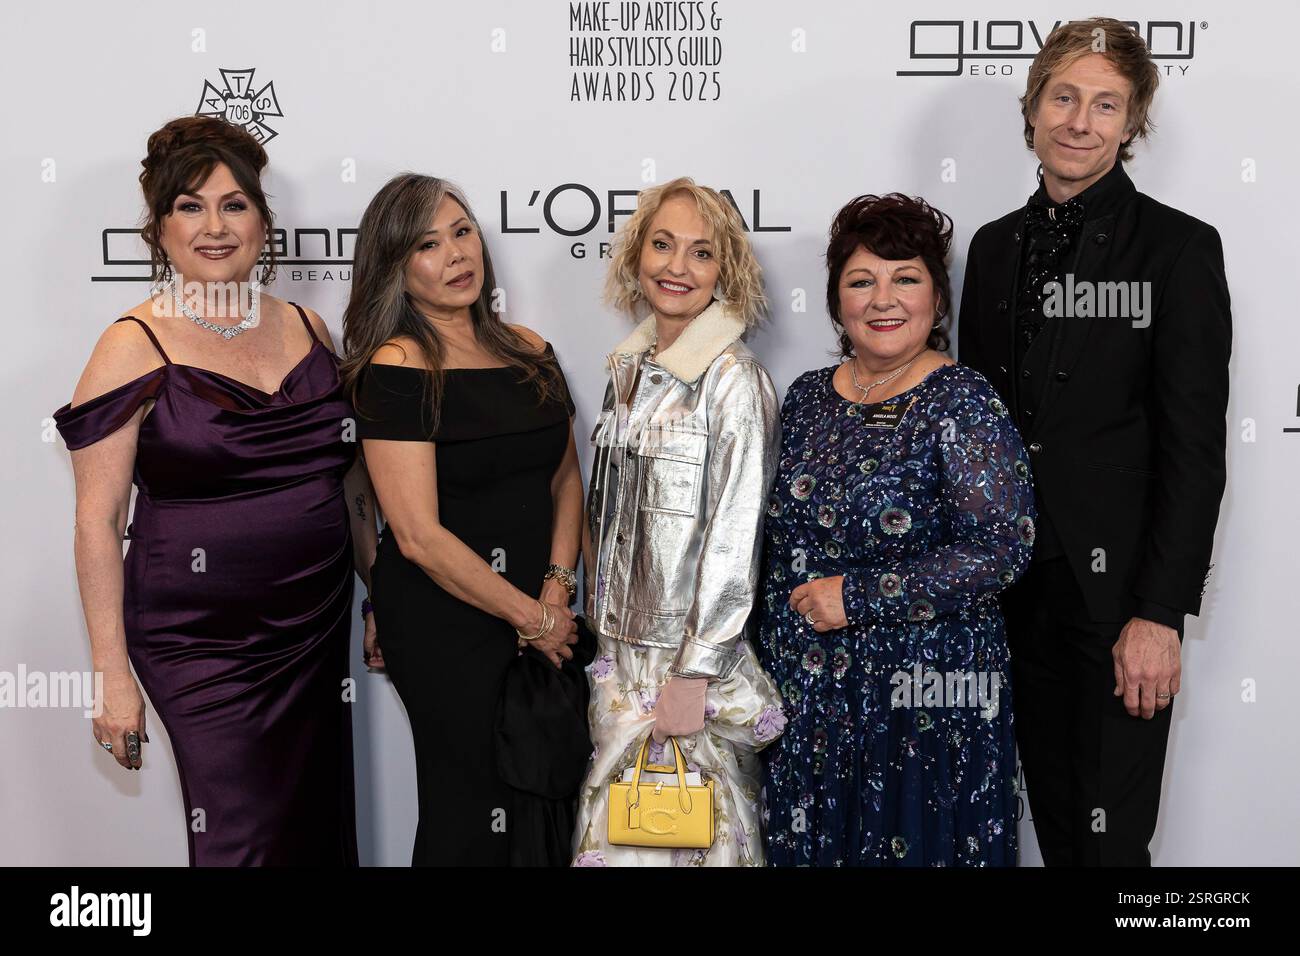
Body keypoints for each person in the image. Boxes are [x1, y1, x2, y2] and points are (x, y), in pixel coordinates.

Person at [52, 115, 377, 865]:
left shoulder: (307, 327)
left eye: (234, 205)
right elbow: (97, 523)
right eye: (189, 207)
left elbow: (348, 480)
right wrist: (112, 675)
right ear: (159, 230)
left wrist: (378, 593)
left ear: (263, 222)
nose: (215, 226)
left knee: (313, 823)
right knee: (241, 834)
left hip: (314, 621)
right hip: (201, 639)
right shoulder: (133, 343)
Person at [957, 17, 1232, 866]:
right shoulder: (993, 248)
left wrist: (1158, 614)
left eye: (1105, 104)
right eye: (1064, 97)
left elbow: (1195, 448)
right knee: (1044, 821)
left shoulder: (1180, 249)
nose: (1080, 121)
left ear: (1132, 123)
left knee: (1108, 847)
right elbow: (979, 430)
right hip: (1007, 593)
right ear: (1033, 107)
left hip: (1117, 604)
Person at [757, 193, 1035, 866]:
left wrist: (854, 598)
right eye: (862, 281)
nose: (884, 299)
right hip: (809, 705)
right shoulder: (805, 396)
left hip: (922, 703)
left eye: (905, 278)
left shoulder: (962, 399)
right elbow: (778, 547)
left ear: (937, 300)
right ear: (836, 303)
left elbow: (1000, 550)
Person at [345, 174, 583, 866]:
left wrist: (558, 588)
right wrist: (529, 618)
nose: (455, 254)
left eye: (461, 231)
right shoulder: (397, 366)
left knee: (547, 796)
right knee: (473, 804)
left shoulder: (530, 348)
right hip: (449, 622)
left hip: (545, 610)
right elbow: (417, 536)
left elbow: (566, 479)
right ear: (395, 267)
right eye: (427, 243)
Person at [570, 177, 785, 867]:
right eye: (662, 245)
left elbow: (735, 533)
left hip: (687, 667)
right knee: (616, 844)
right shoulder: (626, 373)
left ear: (726, 271)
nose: (676, 267)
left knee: (699, 845)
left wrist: (694, 675)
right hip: (618, 660)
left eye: (701, 253)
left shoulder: (735, 379)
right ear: (636, 256)